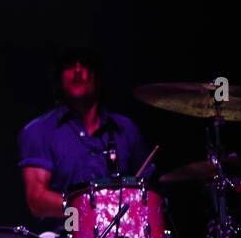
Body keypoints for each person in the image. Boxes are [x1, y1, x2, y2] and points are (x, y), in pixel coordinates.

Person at [18, 48, 151, 219]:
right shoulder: (39, 131)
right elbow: (37, 200)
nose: (78, 71)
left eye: (85, 65)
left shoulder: (125, 129)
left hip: (123, 236)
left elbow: (149, 192)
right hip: (66, 231)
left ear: (97, 76)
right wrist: (94, 209)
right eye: (69, 66)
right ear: (59, 78)